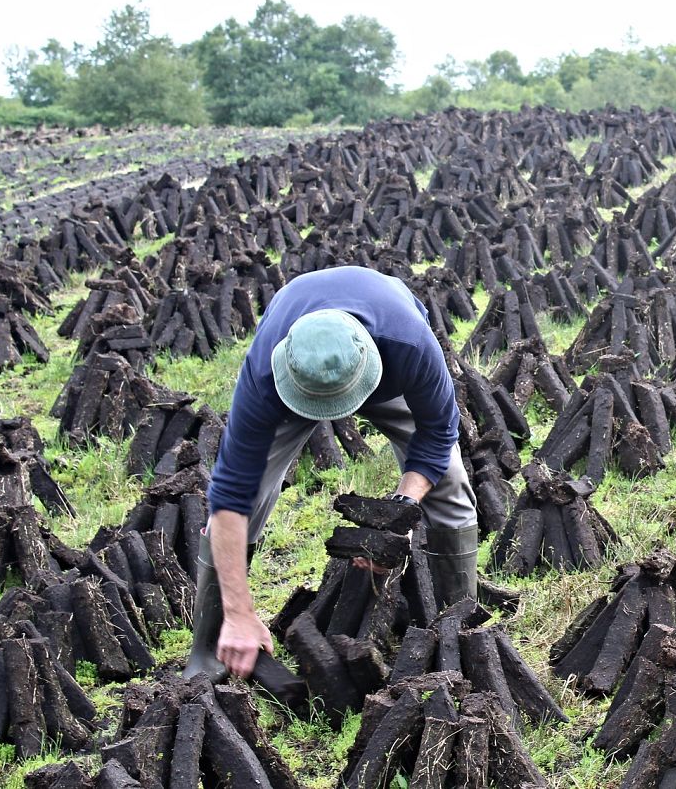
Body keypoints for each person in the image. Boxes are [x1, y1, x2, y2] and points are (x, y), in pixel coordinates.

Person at [184, 265, 479, 680]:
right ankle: (210, 648)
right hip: (290, 385)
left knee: (449, 487)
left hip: (385, 372)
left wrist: (402, 510)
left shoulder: (410, 343)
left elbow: (438, 433)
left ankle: (457, 630)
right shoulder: (266, 374)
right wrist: (239, 612)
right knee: (247, 501)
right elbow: (230, 494)